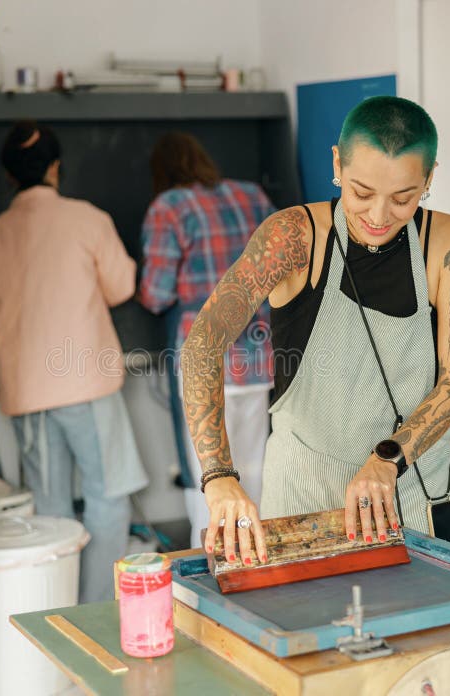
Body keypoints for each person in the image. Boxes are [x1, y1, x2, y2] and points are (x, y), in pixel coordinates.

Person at [181, 96, 450, 564]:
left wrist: (387, 461)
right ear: (337, 164)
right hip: (306, 498)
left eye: (403, 198)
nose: (379, 216)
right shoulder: (294, 238)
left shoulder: (448, 241)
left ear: (429, 179)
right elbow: (202, 344)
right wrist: (219, 478)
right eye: (362, 192)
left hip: (419, 493)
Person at [0, 120, 149, 602]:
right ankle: (95, 613)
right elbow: (123, 286)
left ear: (9, 176)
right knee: (108, 500)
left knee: (50, 509)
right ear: (55, 167)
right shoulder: (87, 219)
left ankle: (59, 610)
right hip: (83, 380)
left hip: (25, 390)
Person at [138, 132, 275, 548]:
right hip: (260, 355)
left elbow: (156, 294)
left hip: (205, 363)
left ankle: (212, 568)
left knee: (211, 473)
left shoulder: (169, 208)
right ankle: (255, 560)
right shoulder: (252, 196)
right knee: (252, 470)